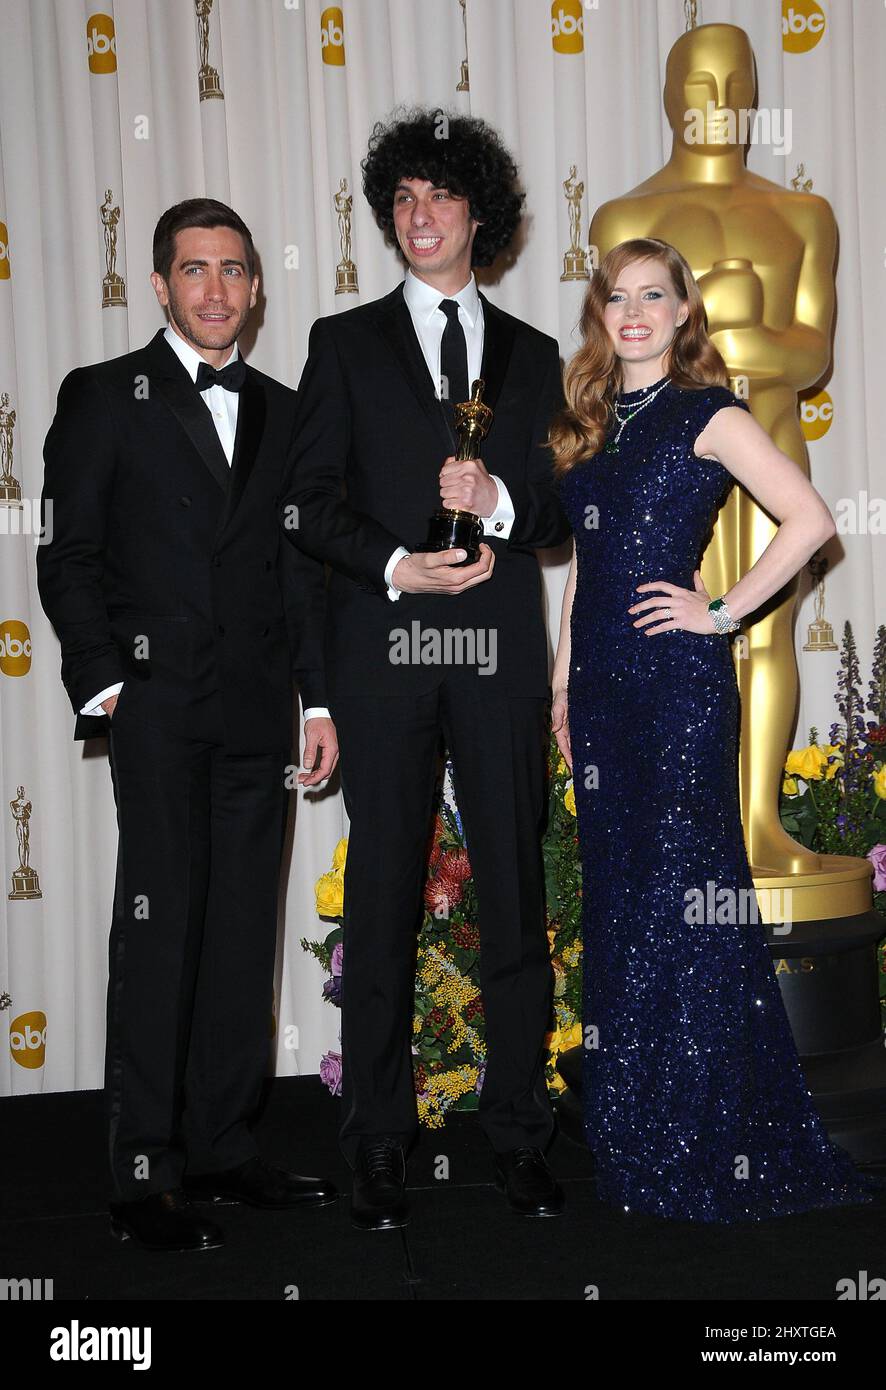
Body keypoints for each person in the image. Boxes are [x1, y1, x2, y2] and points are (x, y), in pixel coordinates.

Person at [550, 236, 879, 1221]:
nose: (638, 312)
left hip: (678, 687)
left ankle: (695, 1128)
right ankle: (636, 1120)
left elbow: (809, 520)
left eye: (656, 295)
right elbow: (581, 574)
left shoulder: (710, 414)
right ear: (600, 314)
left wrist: (724, 612)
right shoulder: (588, 426)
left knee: (682, 898)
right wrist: (563, 687)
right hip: (603, 690)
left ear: (684, 311)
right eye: (620, 296)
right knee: (621, 902)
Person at [283, 109, 571, 1230]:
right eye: (402, 199)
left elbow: (552, 513)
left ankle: (517, 1134)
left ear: (479, 216)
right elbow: (305, 506)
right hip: (390, 651)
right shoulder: (341, 343)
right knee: (385, 896)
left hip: (496, 651)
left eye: (441, 197)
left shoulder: (537, 357)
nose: (420, 216)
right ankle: (378, 1143)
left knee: (511, 889)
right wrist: (397, 562)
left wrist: (497, 503)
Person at [37, 198, 339, 1252]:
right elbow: (68, 555)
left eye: (234, 270)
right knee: (163, 932)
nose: (215, 288)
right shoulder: (103, 396)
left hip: (258, 713)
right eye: (194, 269)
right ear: (161, 285)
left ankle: (222, 1145)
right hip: (159, 708)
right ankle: (140, 1171)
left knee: (242, 932)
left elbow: (298, 571)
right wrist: (105, 683)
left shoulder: (288, 410)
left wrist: (317, 697)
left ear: (256, 289)